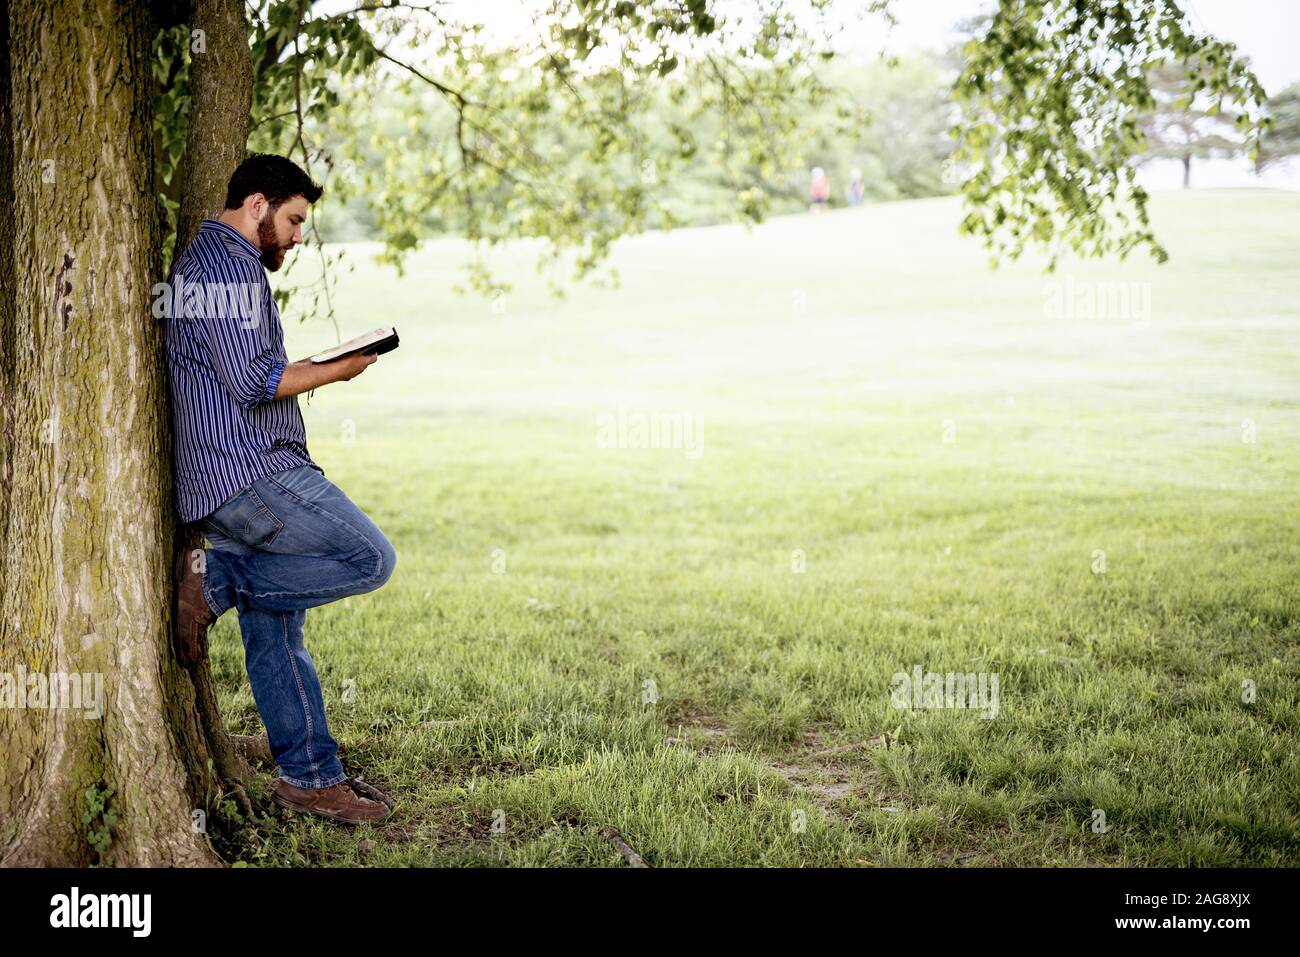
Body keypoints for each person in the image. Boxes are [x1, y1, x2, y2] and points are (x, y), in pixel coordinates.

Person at [164, 153, 397, 825]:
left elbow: (249, 371)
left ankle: (308, 776)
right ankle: (220, 583)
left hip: (228, 477)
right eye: (294, 220)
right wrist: (339, 371)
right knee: (369, 558)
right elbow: (253, 381)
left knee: (277, 629)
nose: (298, 236)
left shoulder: (212, 264)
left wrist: (324, 362)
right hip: (251, 473)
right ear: (259, 204)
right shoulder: (227, 268)